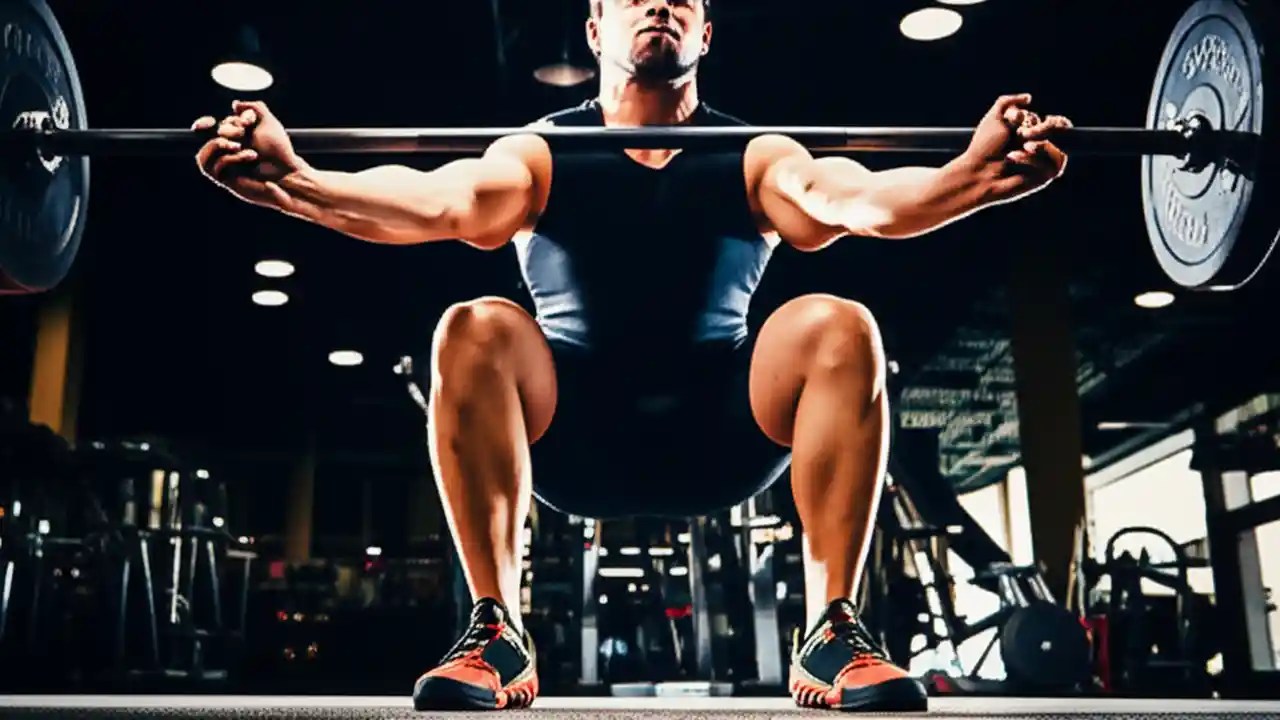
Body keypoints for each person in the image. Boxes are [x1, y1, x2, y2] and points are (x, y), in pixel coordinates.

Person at [194, 0, 1070, 711]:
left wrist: (969, 179)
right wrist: (301, 186)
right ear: (595, 28)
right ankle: (497, 630)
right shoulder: (542, 151)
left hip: (724, 435)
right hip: (572, 440)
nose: (661, 4)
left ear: (706, 32)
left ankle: (832, 629)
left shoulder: (754, 154)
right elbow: (437, 202)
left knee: (839, 323)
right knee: (472, 326)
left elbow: (859, 199)